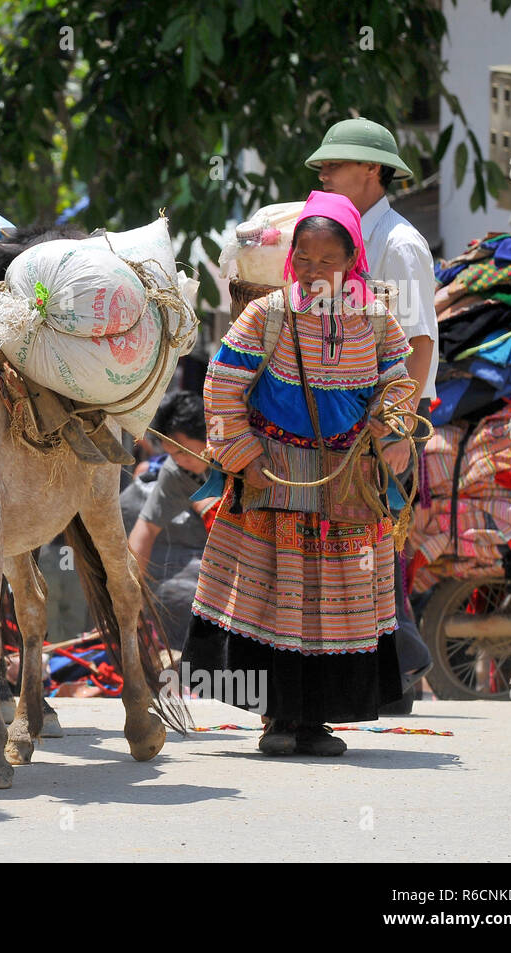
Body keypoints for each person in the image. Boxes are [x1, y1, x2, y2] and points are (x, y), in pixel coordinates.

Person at [183, 190, 412, 757]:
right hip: (276, 478)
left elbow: (397, 386)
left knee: (336, 605)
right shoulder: (268, 315)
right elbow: (222, 385)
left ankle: (318, 722)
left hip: (349, 481)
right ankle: (278, 719)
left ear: (351, 260)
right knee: (280, 598)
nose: (313, 272)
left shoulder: (377, 318)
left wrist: (394, 433)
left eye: (326, 262)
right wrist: (241, 455)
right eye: (303, 260)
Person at [307, 117, 437, 705]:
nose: (324, 174)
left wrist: (397, 428)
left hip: (381, 420)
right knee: (360, 545)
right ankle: (388, 674)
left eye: (334, 165)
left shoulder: (397, 244)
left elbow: (417, 343)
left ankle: (397, 667)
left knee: (369, 547)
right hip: (346, 419)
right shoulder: (346, 236)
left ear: (371, 171)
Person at [126, 391, 218, 651]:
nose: (180, 460)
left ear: (208, 435)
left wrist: (208, 505)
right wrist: (131, 600)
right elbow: (145, 529)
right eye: (172, 454)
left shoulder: (240, 454)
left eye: (185, 451)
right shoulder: (177, 470)